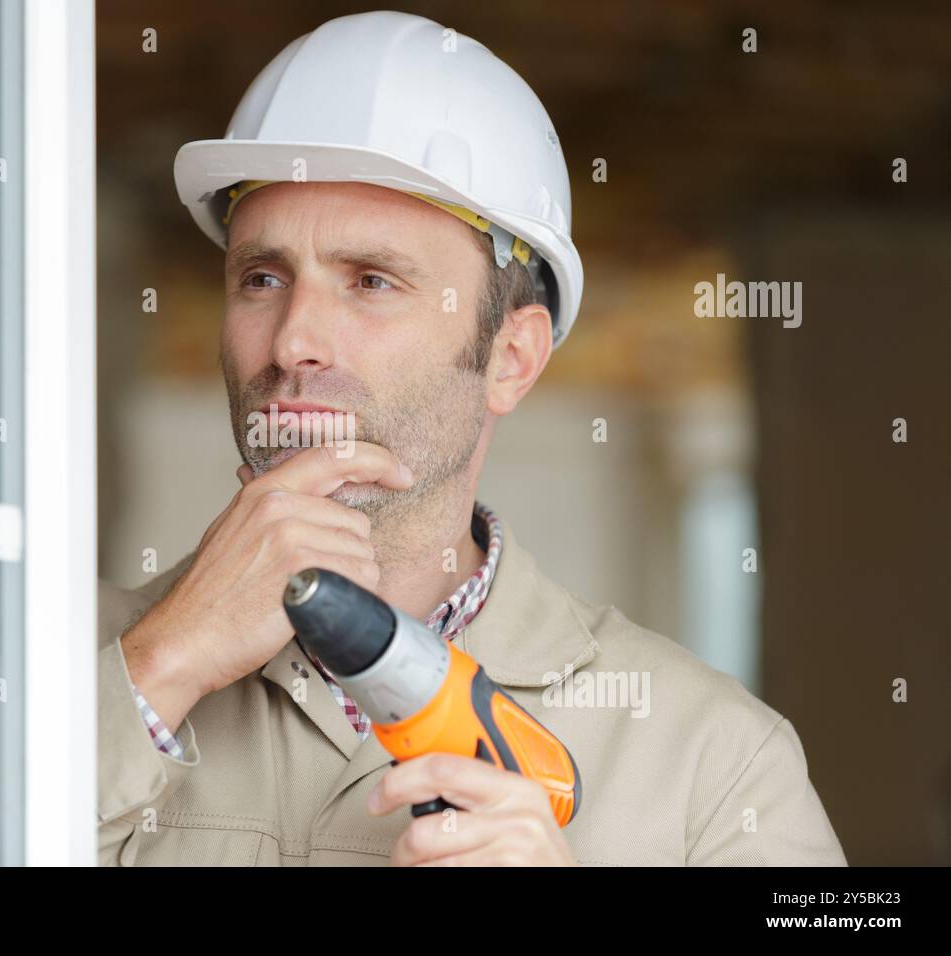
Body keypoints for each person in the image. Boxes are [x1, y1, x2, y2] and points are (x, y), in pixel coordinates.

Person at [98, 10, 846, 866]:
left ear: (510, 357)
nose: (293, 339)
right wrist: (159, 667)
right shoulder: (49, 655)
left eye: (371, 281)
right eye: (262, 277)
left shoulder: (715, 764)